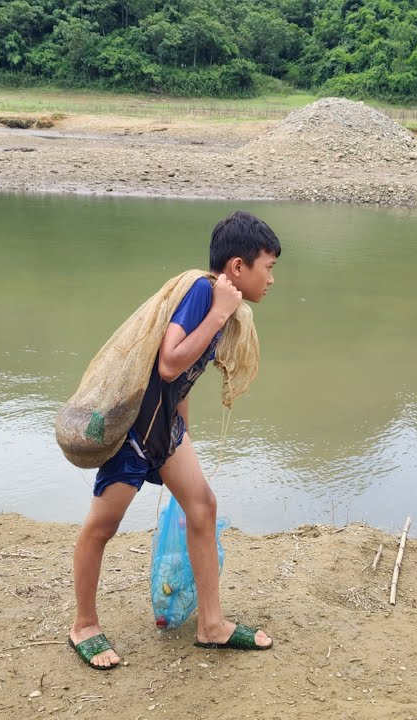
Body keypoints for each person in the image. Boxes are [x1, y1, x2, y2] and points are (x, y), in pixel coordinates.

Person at [69, 210, 281, 669]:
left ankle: (211, 625)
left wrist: (184, 434)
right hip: (134, 432)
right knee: (102, 526)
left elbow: (183, 380)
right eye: (267, 267)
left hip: (165, 429)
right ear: (238, 267)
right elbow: (169, 363)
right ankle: (84, 625)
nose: (271, 279)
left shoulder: (221, 304)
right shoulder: (204, 292)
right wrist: (219, 312)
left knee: (202, 507)